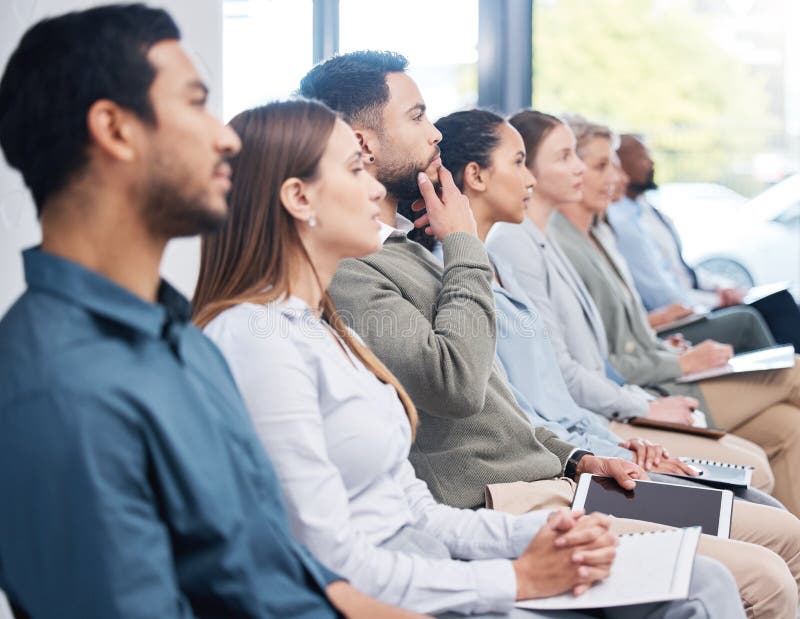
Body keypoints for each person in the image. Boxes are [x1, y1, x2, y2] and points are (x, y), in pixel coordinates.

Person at [190, 98, 734, 619]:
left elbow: (416, 509)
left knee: (703, 579)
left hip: (443, 555)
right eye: (356, 169)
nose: (374, 187)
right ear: (299, 198)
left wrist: (543, 534)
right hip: (417, 588)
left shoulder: (331, 328)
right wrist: (517, 579)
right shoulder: (259, 341)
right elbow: (329, 565)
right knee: (702, 587)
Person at [0, 7, 425, 619]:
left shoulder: (181, 340)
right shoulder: (61, 389)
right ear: (115, 130)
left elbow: (273, 563)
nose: (225, 137)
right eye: (196, 103)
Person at [487, 111, 777, 495]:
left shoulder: (544, 239)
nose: (608, 177)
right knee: (758, 467)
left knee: (781, 432)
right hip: (593, 423)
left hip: (598, 417)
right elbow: (558, 378)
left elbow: (583, 362)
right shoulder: (514, 244)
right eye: (565, 158)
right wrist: (640, 410)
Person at [545, 114, 800, 519]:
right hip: (652, 387)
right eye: (600, 166)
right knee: (793, 372)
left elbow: (623, 335)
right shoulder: (557, 245)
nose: (617, 177)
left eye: (612, 164)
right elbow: (604, 361)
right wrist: (677, 360)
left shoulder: (600, 235)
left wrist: (663, 342)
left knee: (789, 427)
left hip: (656, 372)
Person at [612, 134, 800, 351]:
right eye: (643, 158)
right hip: (680, 315)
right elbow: (666, 297)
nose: (651, 163)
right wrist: (715, 301)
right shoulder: (623, 224)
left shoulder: (646, 210)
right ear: (621, 165)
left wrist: (722, 288)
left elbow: (684, 269)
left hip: (694, 302)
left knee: (782, 301)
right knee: (758, 315)